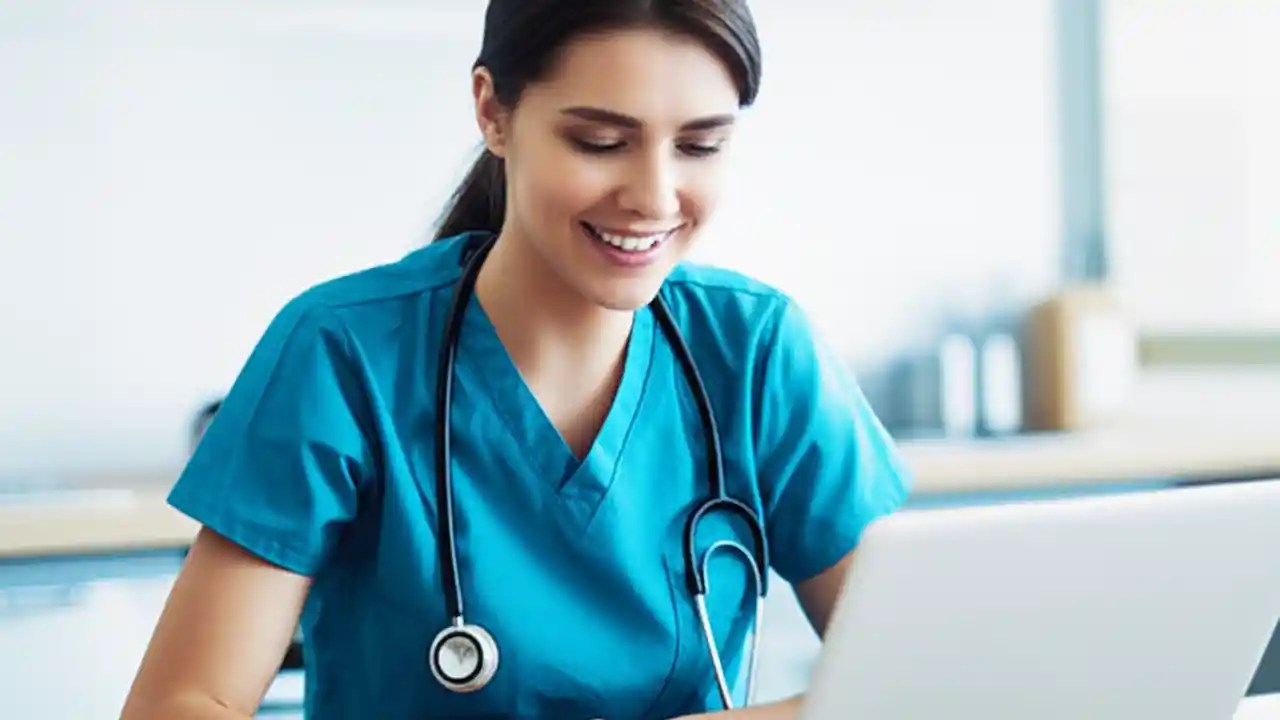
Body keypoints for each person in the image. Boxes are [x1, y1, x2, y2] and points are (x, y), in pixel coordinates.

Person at [121, 1, 912, 718]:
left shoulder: (758, 351)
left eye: (700, 145)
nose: (655, 195)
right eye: (601, 141)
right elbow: (182, 704)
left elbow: (926, 682)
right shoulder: (343, 352)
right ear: (493, 112)